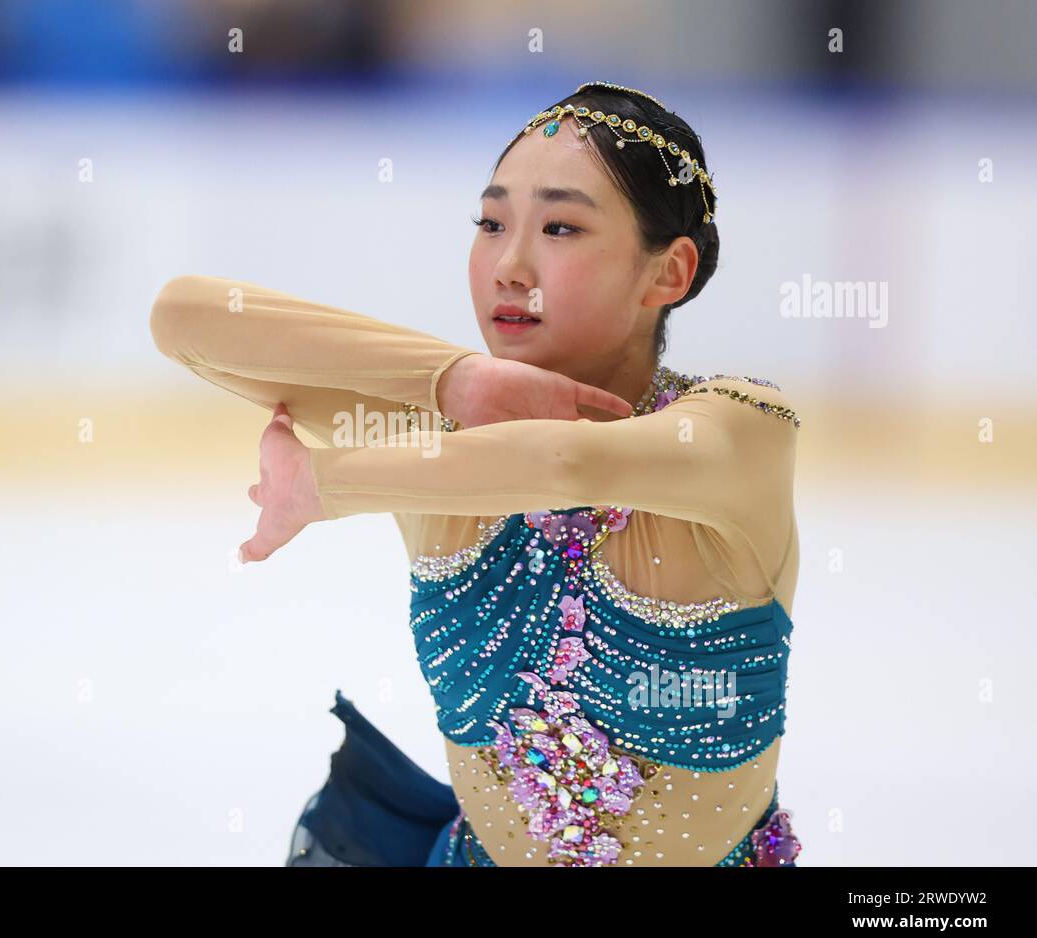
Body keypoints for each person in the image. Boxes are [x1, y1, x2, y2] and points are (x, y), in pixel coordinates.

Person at [150, 81, 804, 867]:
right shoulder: (441, 437)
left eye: (560, 227)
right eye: (491, 224)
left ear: (667, 273)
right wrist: (451, 379)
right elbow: (184, 319)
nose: (510, 266)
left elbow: (568, 461)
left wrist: (326, 482)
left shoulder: (740, 429)